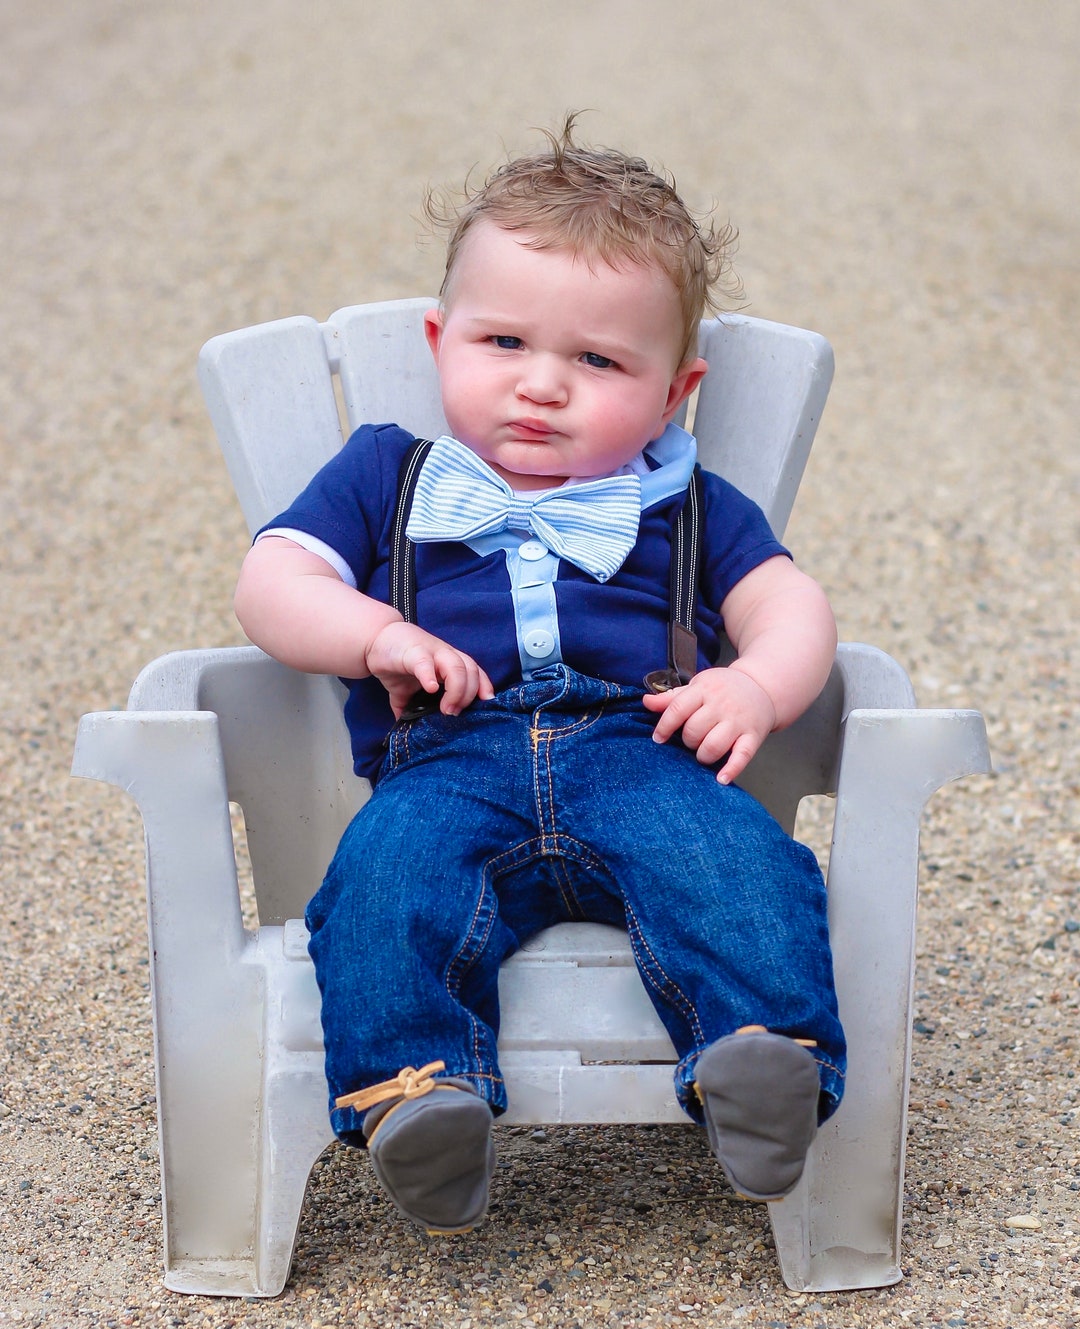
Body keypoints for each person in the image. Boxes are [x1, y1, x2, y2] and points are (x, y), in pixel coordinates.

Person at [233, 121, 846, 1236]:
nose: (542, 387)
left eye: (600, 361)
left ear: (676, 391)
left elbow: (791, 608)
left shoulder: (694, 506)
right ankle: (418, 1097)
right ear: (440, 339)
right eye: (504, 342)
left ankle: (758, 1059)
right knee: (381, 880)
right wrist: (370, 631)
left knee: (735, 860)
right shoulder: (386, 475)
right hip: (447, 762)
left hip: (641, 751)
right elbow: (272, 581)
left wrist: (755, 685)